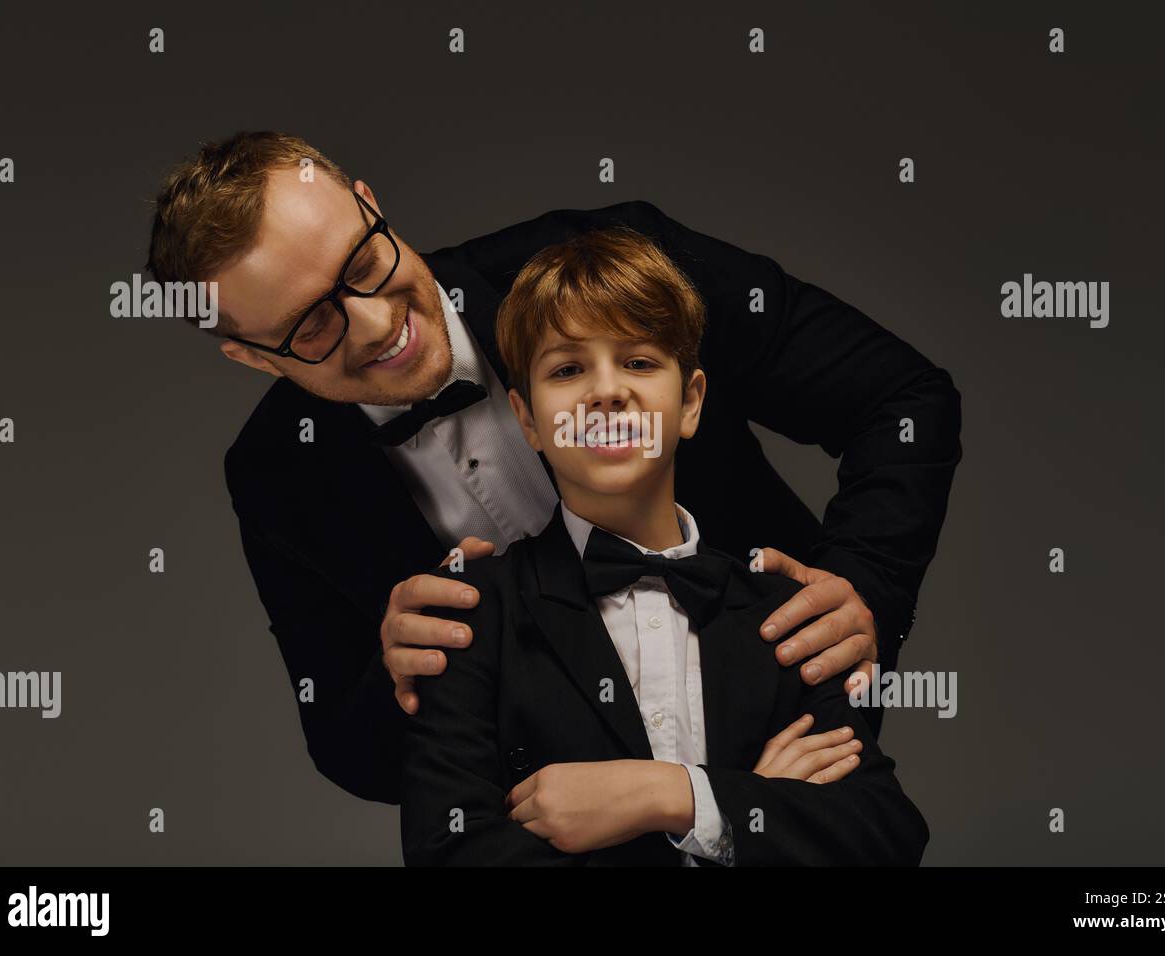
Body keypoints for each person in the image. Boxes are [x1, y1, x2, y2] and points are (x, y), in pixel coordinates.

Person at [145, 130, 961, 805]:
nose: (372, 324)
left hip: (792, 762)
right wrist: (398, 680)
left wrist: (869, 585)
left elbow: (902, 397)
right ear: (253, 358)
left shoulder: (617, 261)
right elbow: (347, 750)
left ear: (370, 203)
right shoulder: (274, 476)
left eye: (363, 266)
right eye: (311, 326)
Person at [399, 227, 928, 865]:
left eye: (640, 361)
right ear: (529, 420)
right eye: (568, 369)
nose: (606, 390)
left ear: (690, 402)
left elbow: (884, 840)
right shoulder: (471, 616)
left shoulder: (787, 614)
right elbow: (451, 856)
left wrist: (676, 796)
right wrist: (756, 807)